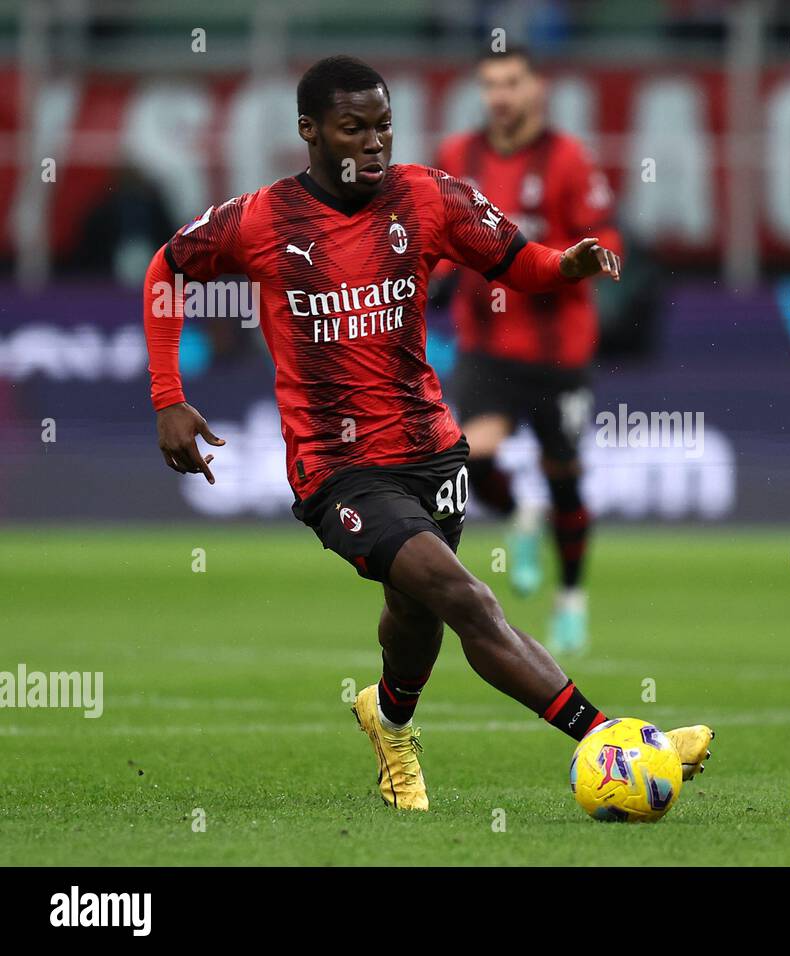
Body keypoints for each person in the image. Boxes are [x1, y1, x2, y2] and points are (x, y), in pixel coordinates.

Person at [142, 55, 711, 810]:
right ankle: (615, 740)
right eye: (353, 128)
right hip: (338, 468)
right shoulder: (261, 219)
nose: (373, 142)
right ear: (310, 131)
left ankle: (389, 721)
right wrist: (168, 396)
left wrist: (564, 265)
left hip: (431, 450)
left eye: (383, 125)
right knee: (465, 598)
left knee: (416, 612)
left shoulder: (429, 196)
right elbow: (167, 269)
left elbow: (516, 262)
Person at [436, 47, 621, 654]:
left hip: (559, 351)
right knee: (469, 457)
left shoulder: (568, 158)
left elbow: (605, 231)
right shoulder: (457, 157)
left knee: (563, 475)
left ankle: (571, 599)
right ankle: (519, 515)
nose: (500, 95)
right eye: (490, 84)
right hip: (486, 345)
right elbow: (439, 235)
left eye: (511, 82)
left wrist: (592, 256)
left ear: (537, 87)